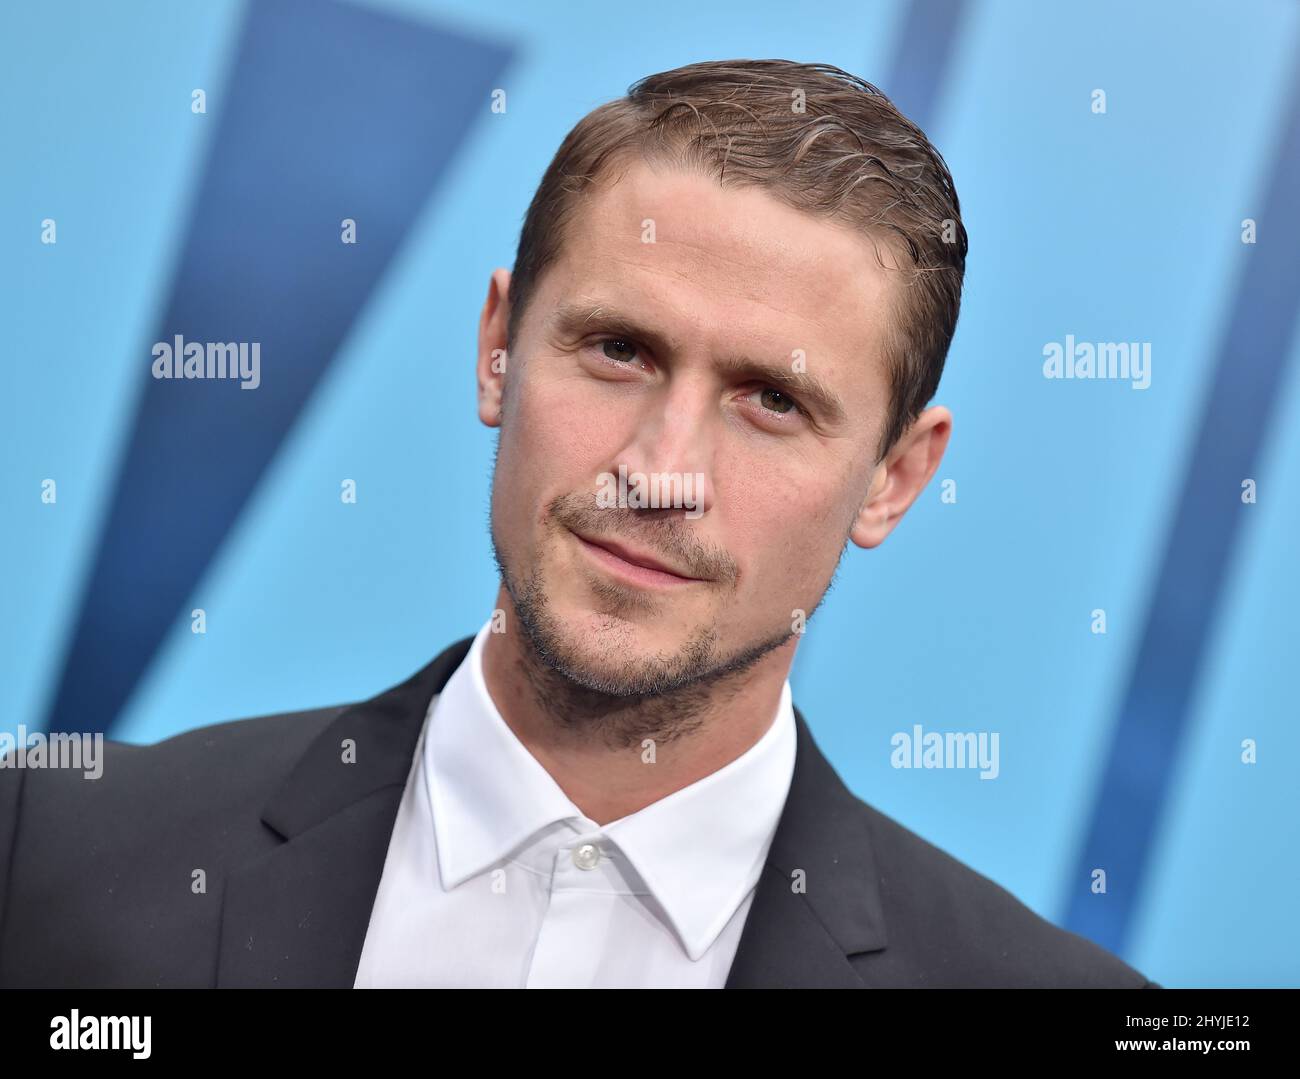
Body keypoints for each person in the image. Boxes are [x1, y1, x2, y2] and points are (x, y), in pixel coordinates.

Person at [0, 58, 1158, 989]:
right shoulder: (47, 852)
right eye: (618, 349)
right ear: (497, 346)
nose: (660, 471)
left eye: (772, 398)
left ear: (892, 480)